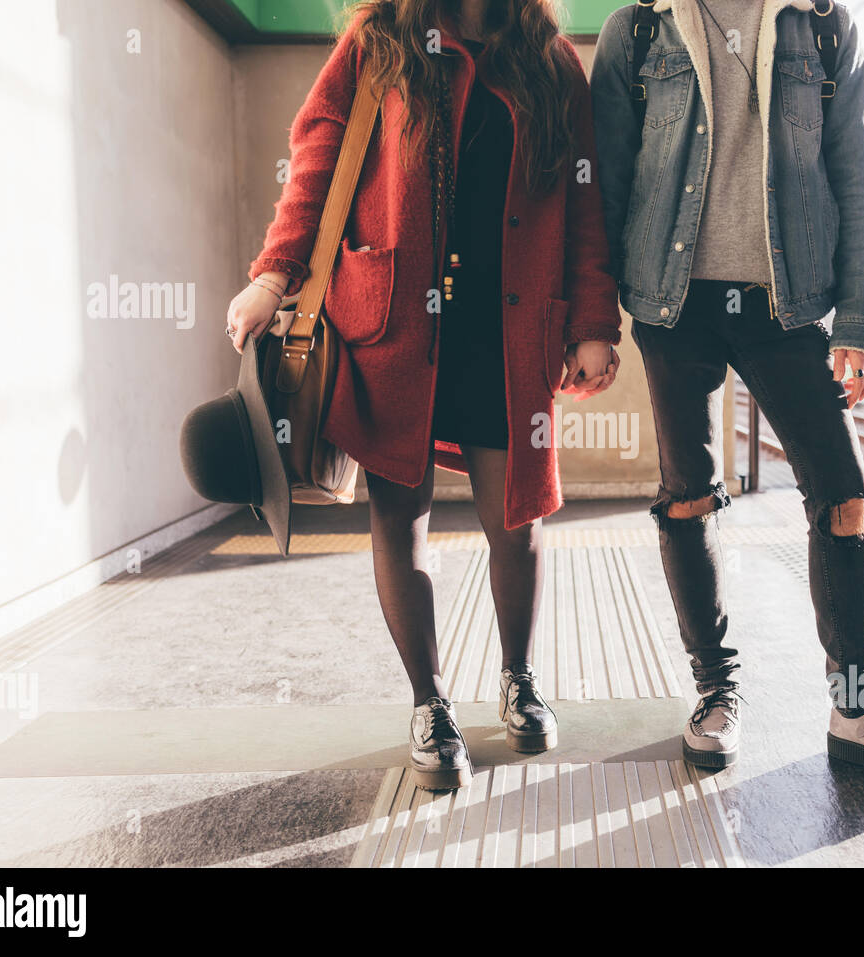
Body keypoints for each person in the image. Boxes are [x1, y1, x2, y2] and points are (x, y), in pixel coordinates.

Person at [227, 0, 621, 790]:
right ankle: (429, 701)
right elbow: (319, 156)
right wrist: (275, 273)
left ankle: (518, 676)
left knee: (517, 518)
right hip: (396, 324)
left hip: (506, 330)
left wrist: (592, 320)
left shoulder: (549, 59)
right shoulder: (380, 42)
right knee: (399, 517)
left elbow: (586, 201)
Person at [591, 0, 864, 783]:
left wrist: (858, 317)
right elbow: (606, 182)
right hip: (673, 302)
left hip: (786, 304)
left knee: (845, 498)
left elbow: (857, 173)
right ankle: (715, 694)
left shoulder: (821, 23)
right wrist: (596, 314)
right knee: (687, 495)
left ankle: (855, 711)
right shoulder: (639, 29)